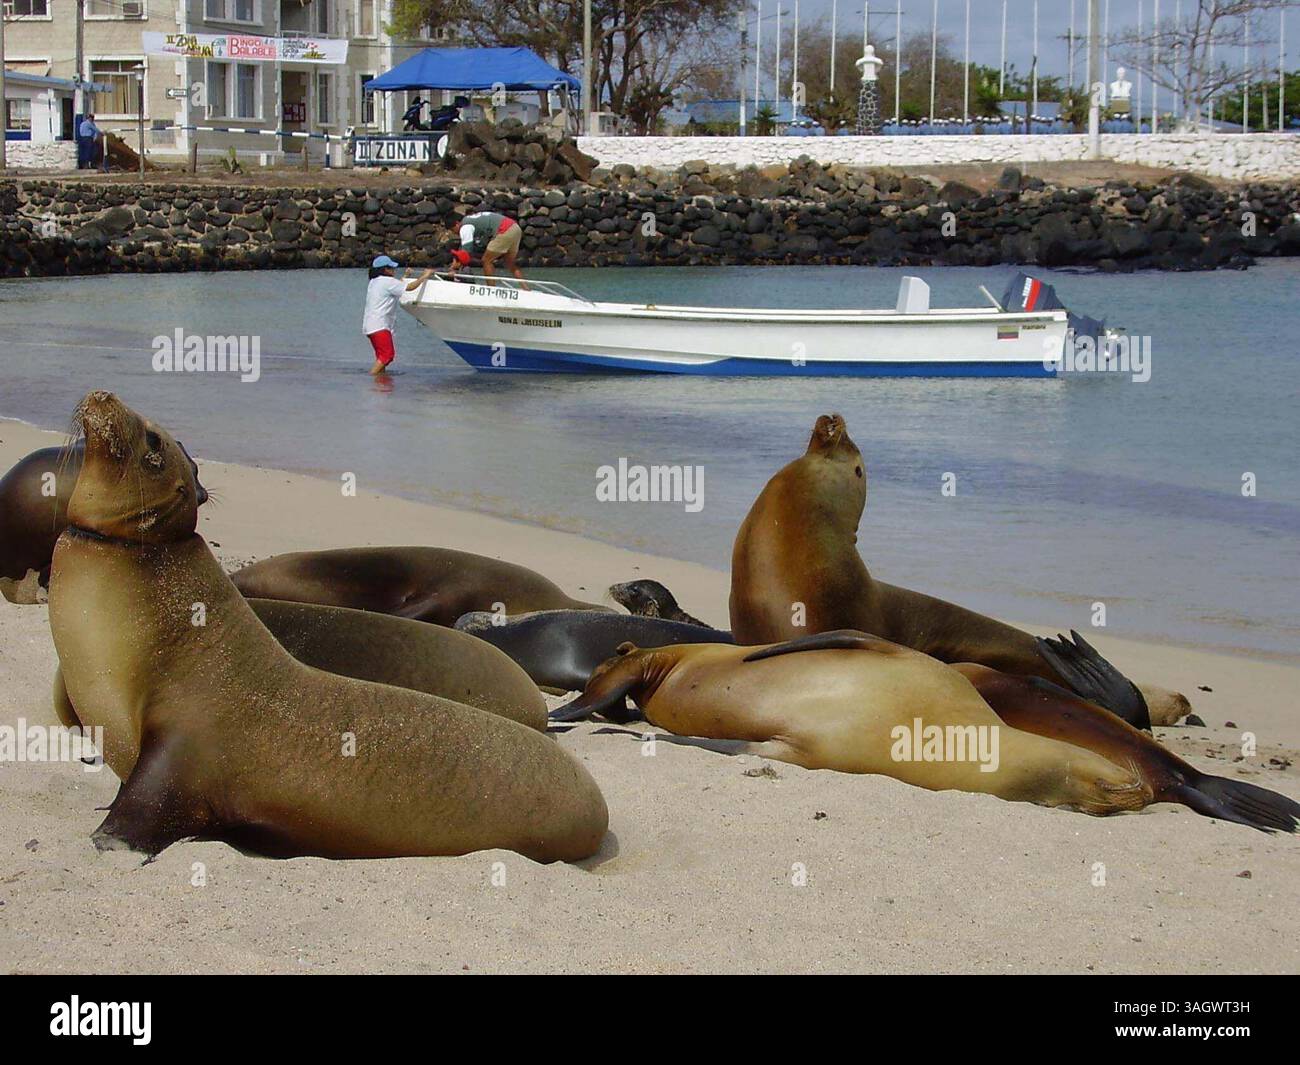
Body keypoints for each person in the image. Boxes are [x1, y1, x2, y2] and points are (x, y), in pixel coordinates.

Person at [363, 255, 433, 376]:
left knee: (381, 357)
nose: (393, 270)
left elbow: (397, 286)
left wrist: (406, 276)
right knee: (387, 356)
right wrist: (425, 276)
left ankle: (380, 383)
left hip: (370, 326)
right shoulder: (387, 281)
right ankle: (371, 378)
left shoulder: (375, 281)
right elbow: (409, 287)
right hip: (380, 326)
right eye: (391, 268)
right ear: (385, 270)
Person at [445, 211, 526, 286]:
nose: (454, 233)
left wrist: (453, 269)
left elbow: (465, 254)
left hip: (504, 229)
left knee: (486, 261)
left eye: (452, 230)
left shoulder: (465, 227)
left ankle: (491, 290)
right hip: (515, 228)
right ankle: (526, 289)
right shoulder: (471, 220)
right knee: (510, 263)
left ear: (457, 224)